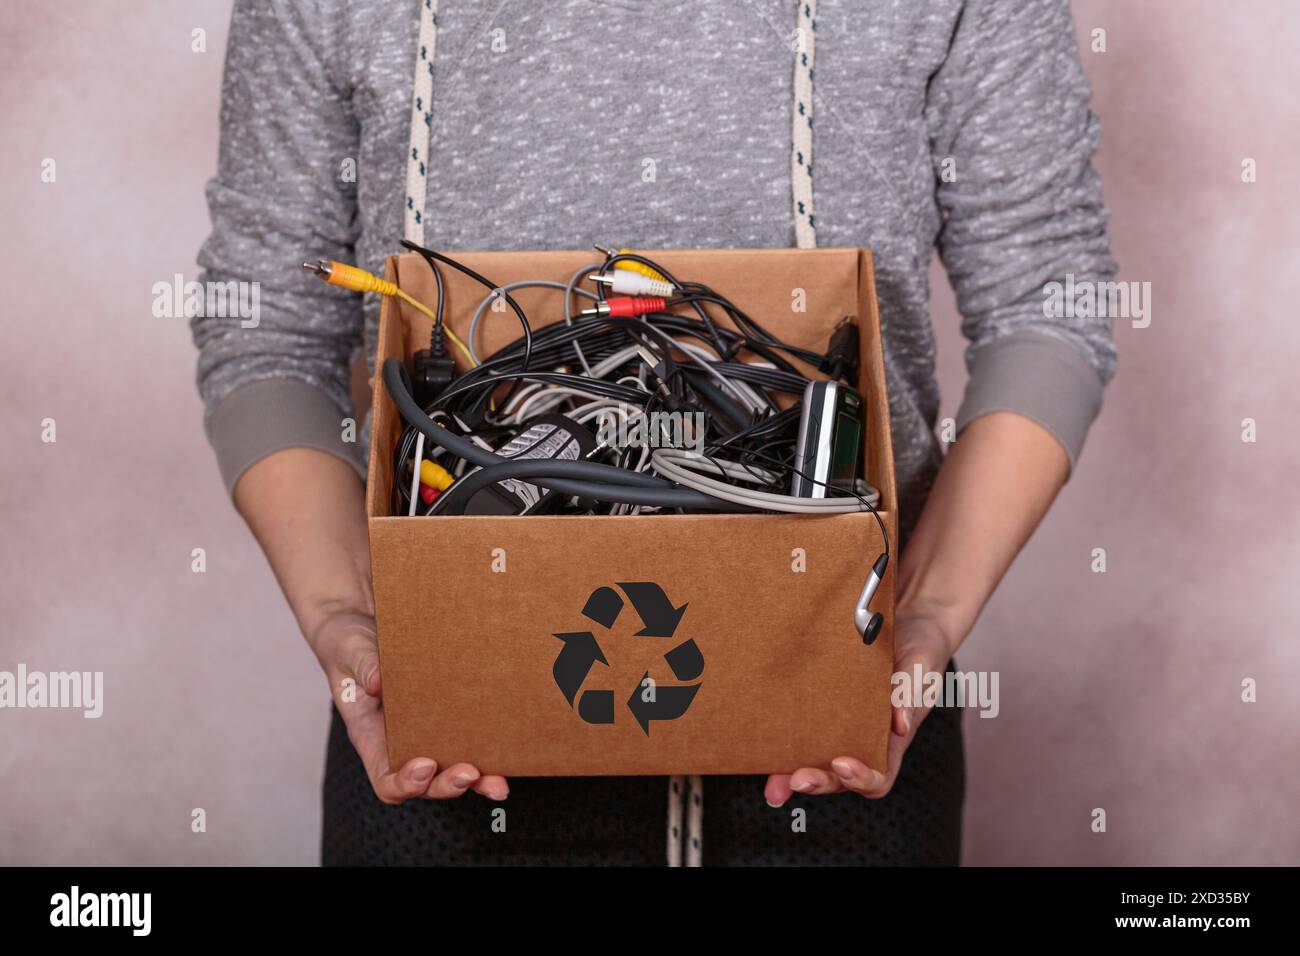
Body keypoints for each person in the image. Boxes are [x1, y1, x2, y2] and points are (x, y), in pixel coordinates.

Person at [193, 0, 1116, 866]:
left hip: (851, 714)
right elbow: (266, 333)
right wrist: (341, 616)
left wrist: (928, 614)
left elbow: (1051, 302)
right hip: (443, 752)